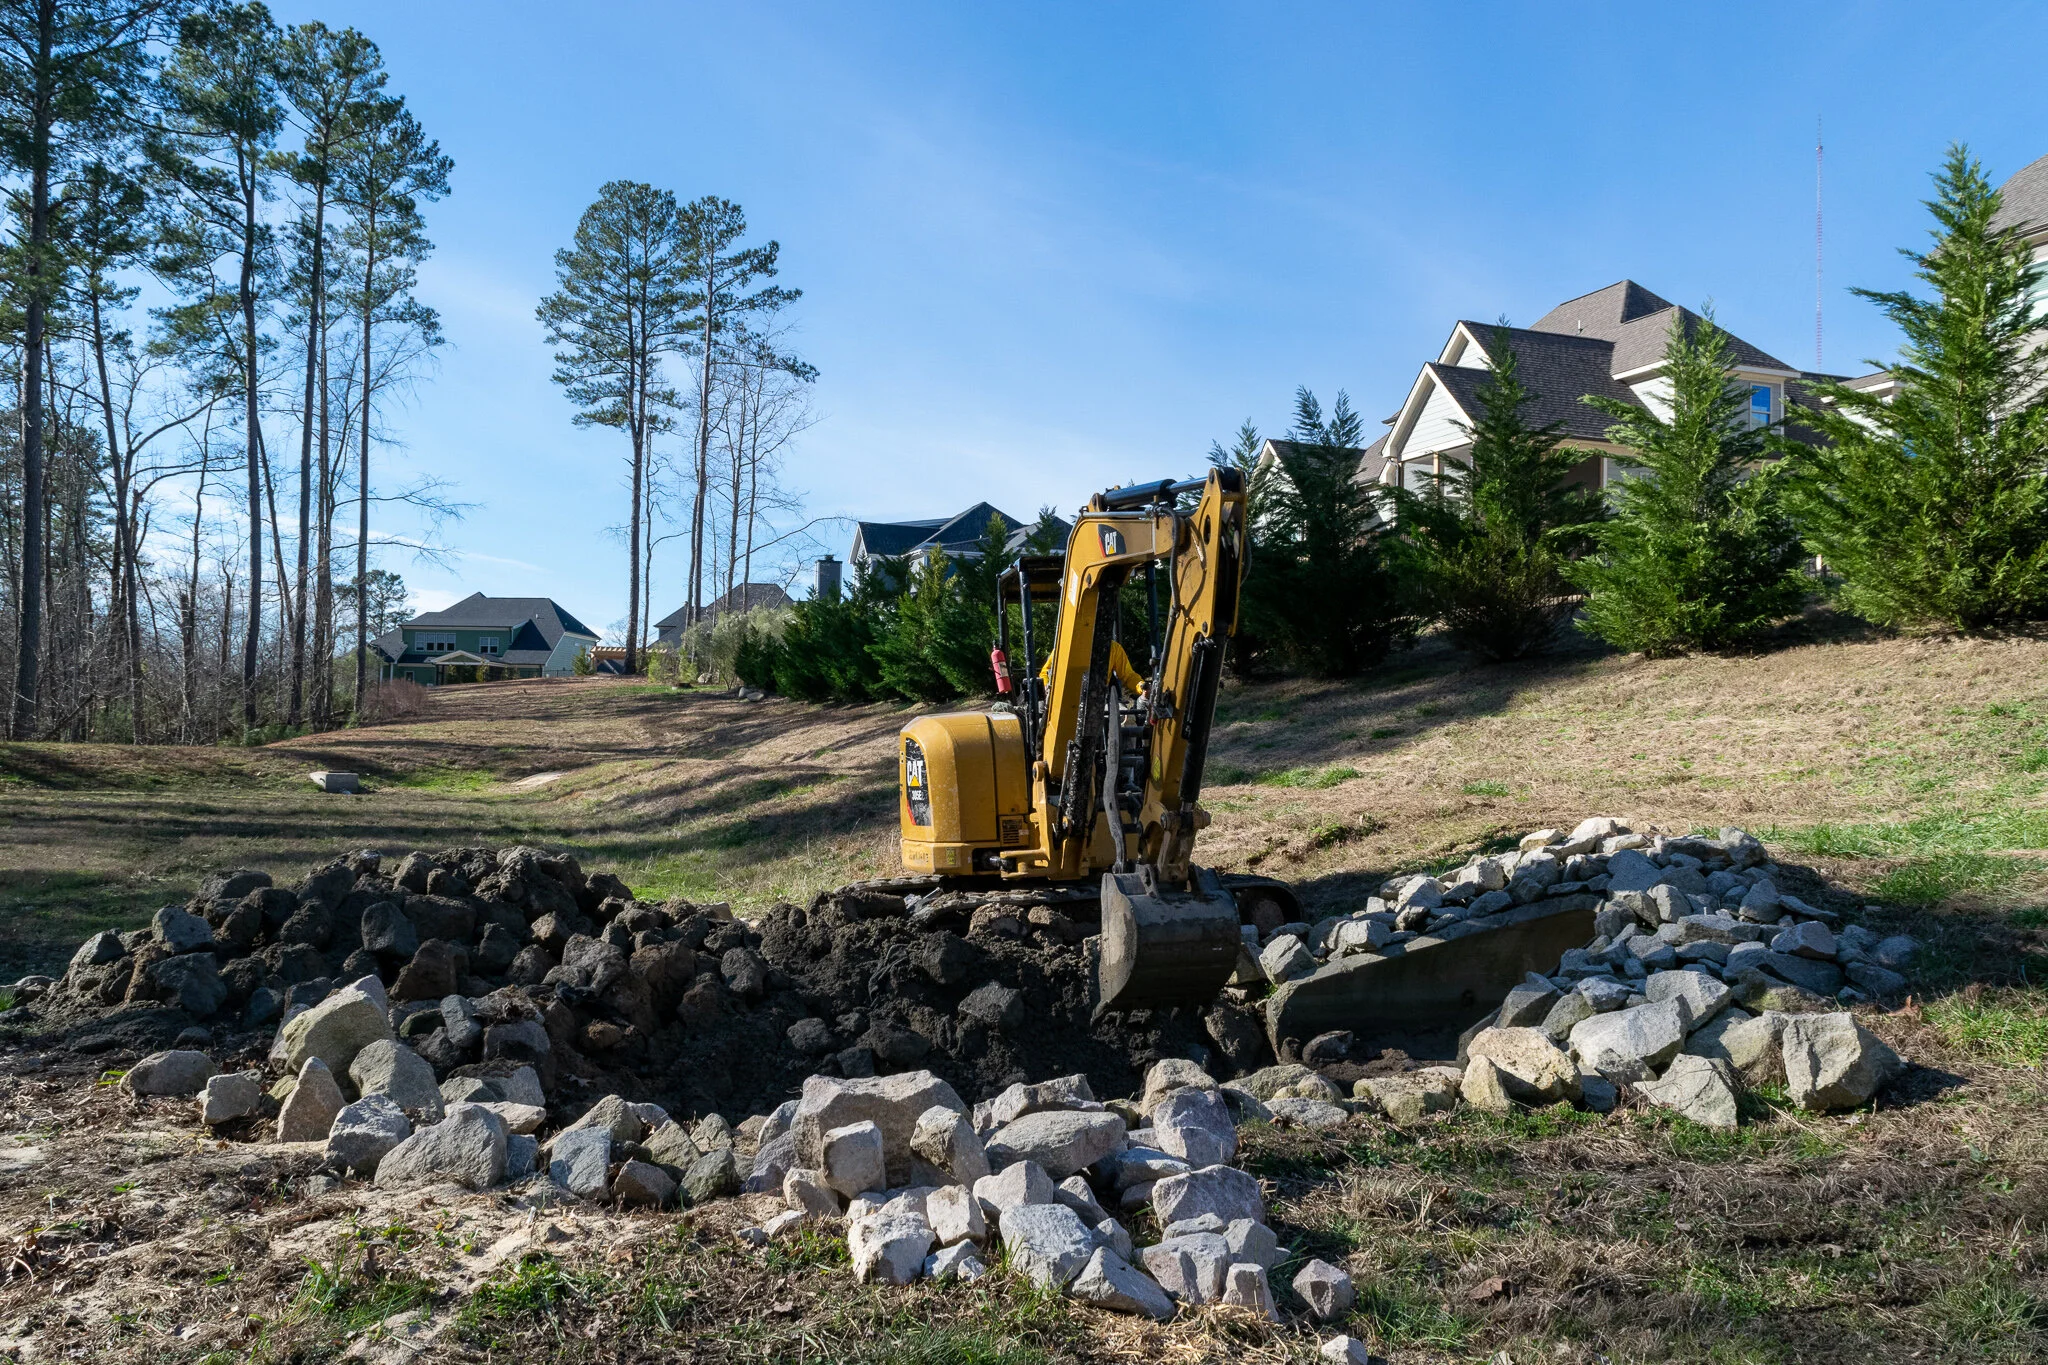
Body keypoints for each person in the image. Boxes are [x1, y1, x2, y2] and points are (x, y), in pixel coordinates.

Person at [1040, 639, 1145, 696]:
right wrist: (1046, 686)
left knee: (1124, 718)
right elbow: (1046, 672)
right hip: (1066, 698)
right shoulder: (1065, 646)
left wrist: (1141, 687)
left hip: (1099, 699)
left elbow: (1128, 676)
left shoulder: (1113, 648)